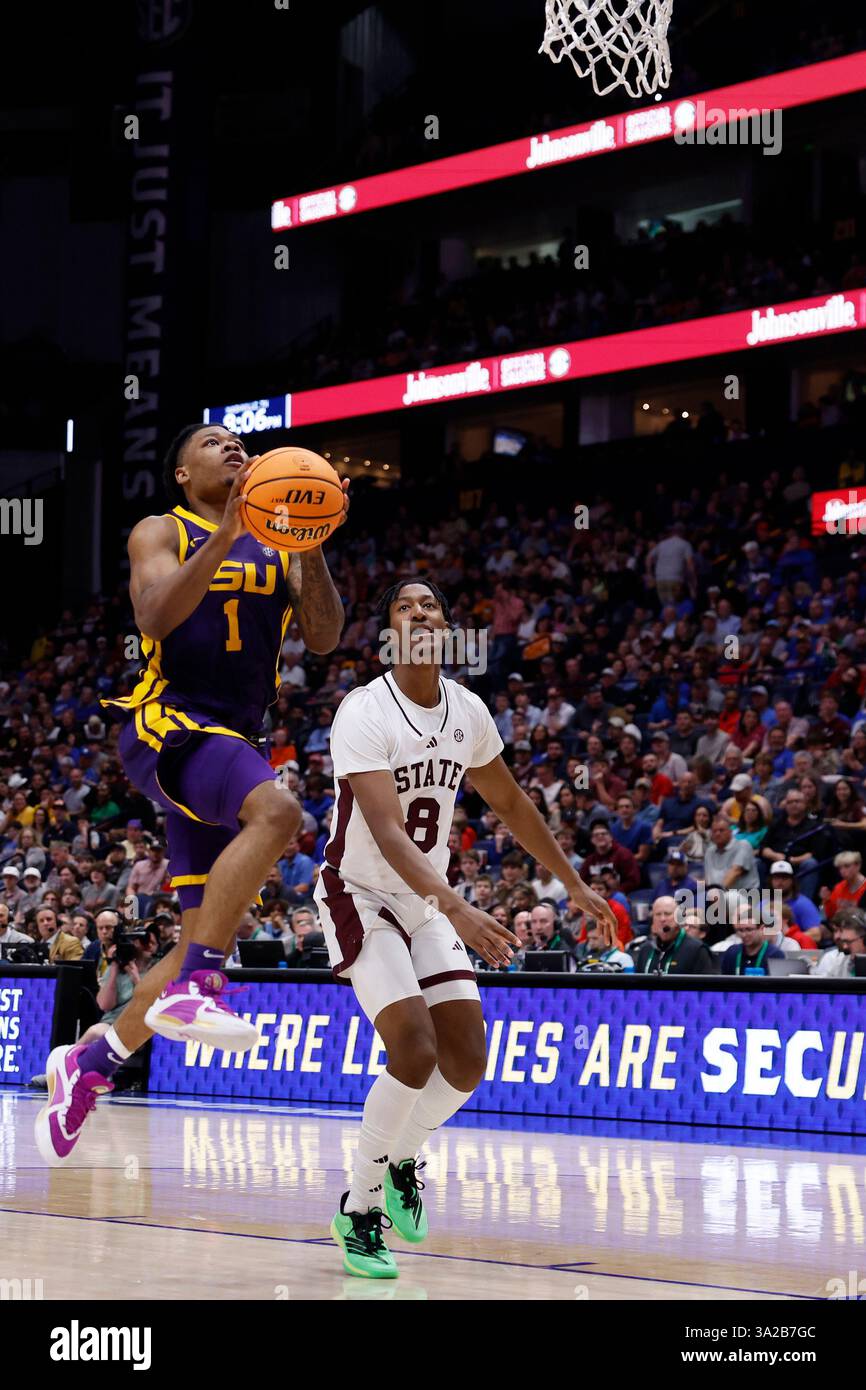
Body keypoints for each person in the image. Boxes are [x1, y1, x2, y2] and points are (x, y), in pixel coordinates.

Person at [35, 422, 348, 1168]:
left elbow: (327, 637)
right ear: (181, 472)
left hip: (231, 736)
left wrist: (310, 538)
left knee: (189, 936)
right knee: (279, 812)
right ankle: (205, 981)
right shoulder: (161, 528)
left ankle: (92, 1063)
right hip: (168, 721)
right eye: (212, 441)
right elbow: (152, 617)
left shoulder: (280, 542)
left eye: (239, 440)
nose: (232, 446)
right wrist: (230, 529)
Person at [313, 578, 616, 1278]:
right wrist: (455, 904)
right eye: (403, 607)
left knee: (469, 1061)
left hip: (426, 901)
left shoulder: (468, 711)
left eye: (431, 607)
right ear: (390, 632)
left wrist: (571, 881)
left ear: (447, 628)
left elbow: (508, 799)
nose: (419, 614)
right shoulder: (363, 711)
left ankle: (405, 1155)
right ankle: (358, 1209)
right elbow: (387, 832)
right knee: (414, 1048)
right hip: (360, 893)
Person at [632, 896, 715, 975]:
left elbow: (705, 988)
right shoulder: (646, 949)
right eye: (658, 914)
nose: (662, 919)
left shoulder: (697, 949)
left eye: (667, 914)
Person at [720, 905, 787, 976]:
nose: (744, 935)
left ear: (761, 929)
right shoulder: (732, 952)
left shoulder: (775, 955)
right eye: (740, 930)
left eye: (749, 930)